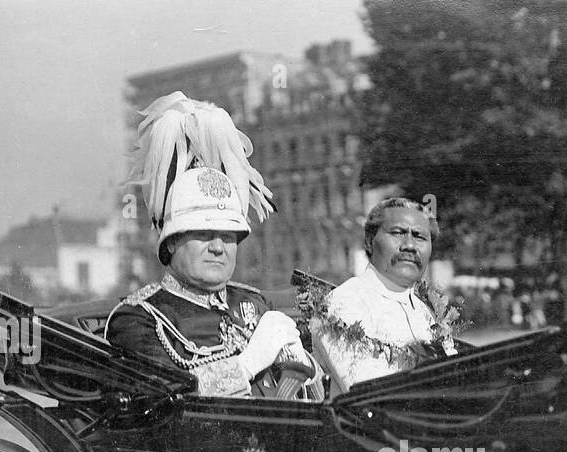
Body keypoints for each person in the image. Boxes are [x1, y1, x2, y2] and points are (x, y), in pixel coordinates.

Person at [107, 92, 322, 399]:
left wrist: (306, 366)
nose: (219, 247)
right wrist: (246, 366)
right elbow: (165, 400)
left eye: (229, 235)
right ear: (172, 241)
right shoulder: (139, 319)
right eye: (204, 234)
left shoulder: (255, 305)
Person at [312, 197, 451, 394]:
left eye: (419, 236)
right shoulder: (345, 302)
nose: (409, 245)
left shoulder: (423, 312)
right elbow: (368, 396)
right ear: (369, 242)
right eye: (397, 233)